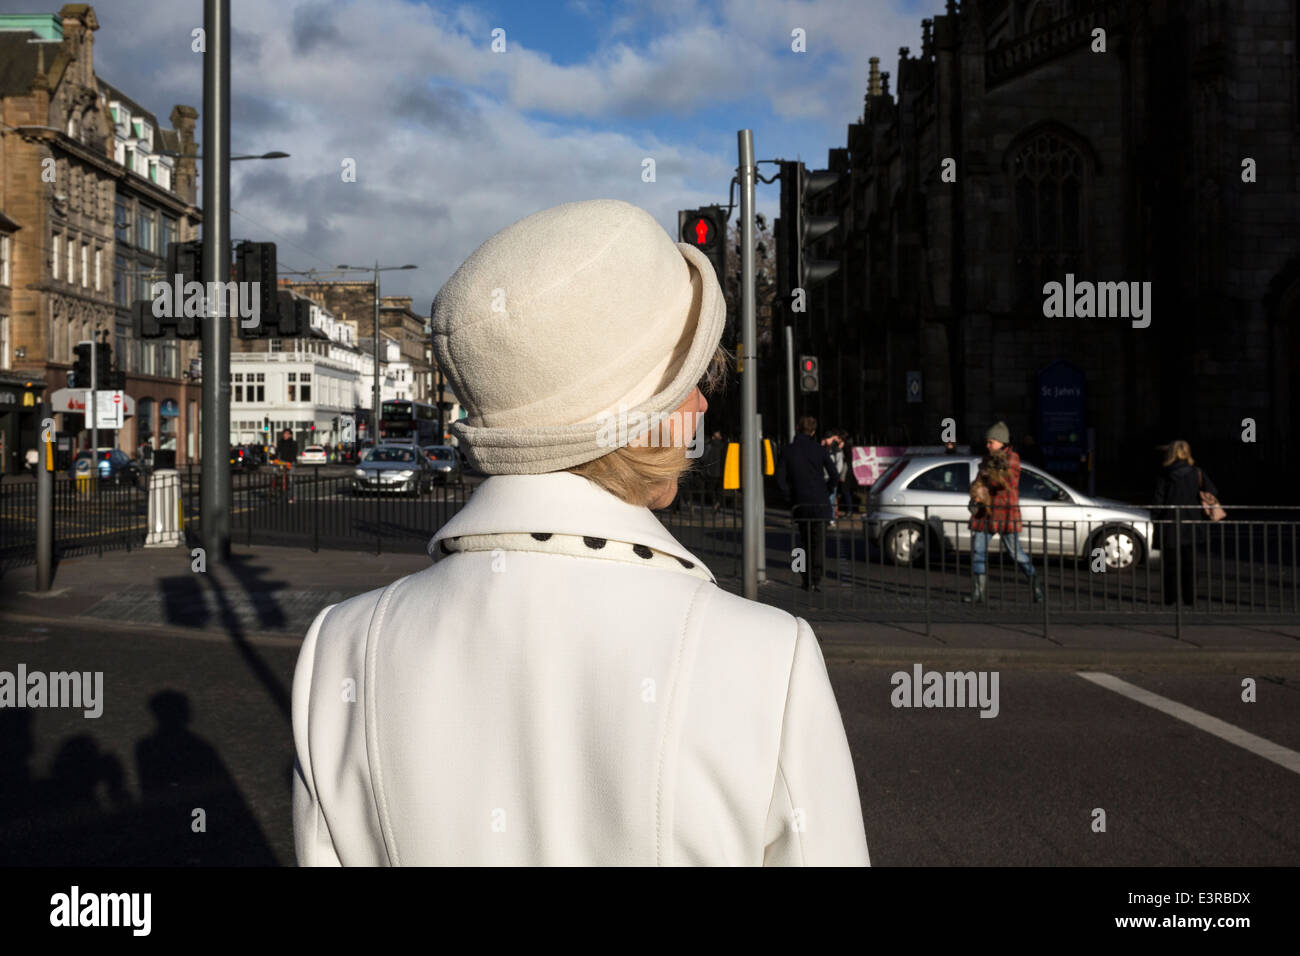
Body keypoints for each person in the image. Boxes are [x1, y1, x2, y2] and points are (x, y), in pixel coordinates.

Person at [291, 199, 868, 866]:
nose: (704, 402)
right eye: (689, 379)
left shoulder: (342, 650)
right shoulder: (769, 658)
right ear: (633, 412)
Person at [964, 421, 1043, 604]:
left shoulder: (1012, 458)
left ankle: (1036, 585)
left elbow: (1006, 482)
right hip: (986, 513)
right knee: (977, 551)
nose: (988, 445)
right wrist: (975, 496)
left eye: (991, 441)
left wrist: (987, 476)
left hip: (1005, 512)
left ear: (1001, 442)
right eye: (988, 442)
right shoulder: (987, 458)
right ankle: (978, 593)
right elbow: (979, 483)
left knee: (1016, 553)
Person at [777, 416, 839, 591]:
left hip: (800, 503)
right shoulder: (819, 450)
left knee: (803, 542)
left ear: (797, 428)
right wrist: (826, 490)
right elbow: (834, 475)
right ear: (813, 431)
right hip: (819, 502)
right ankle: (816, 579)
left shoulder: (788, 450)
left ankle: (805, 578)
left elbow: (780, 478)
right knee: (818, 543)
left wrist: (790, 497)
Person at [1153, 440, 1217, 606]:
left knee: (1170, 565)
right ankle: (1189, 598)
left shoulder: (1165, 473)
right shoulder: (1196, 472)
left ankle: (1170, 598)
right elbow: (1211, 491)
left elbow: (1158, 499)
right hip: (1192, 521)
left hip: (1170, 522)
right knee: (1190, 563)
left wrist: (1156, 520)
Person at [275, 428, 298, 503]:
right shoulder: (280, 442)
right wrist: (275, 458)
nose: (285, 435)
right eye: (284, 433)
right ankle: (280, 495)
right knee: (280, 477)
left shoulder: (293, 443)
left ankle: (292, 497)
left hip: (290, 462)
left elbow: (294, 453)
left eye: (287, 434)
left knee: (291, 480)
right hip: (282, 461)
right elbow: (277, 451)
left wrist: (290, 462)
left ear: (290, 435)